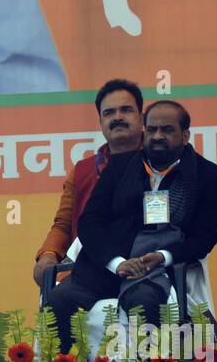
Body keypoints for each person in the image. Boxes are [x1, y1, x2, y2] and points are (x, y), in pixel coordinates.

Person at [50, 101, 217, 354]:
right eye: (152, 129)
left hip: (156, 271)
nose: (157, 136)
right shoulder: (121, 166)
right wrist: (117, 262)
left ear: (185, 136)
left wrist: (163, 258)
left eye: (167, 130)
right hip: (107, 265)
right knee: (59, 300)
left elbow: (204, 237)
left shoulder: (206, 175)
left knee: (142, 303)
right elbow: (89, 223)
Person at [33, 78, 144, 286]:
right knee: (59, 302)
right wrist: (48, 254)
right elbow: (64, 225)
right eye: (109, 113)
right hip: (90, 270)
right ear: (101, 123)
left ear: (142, 118)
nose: (117, 117)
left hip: (145, 268)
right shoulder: (83, 171)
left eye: (126, 110)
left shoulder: (160, 165)